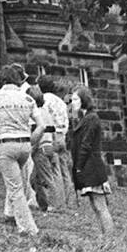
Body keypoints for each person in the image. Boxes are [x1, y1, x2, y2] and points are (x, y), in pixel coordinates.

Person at [0, 64, 42, 237]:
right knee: (15, 181)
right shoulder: (28, 99)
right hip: (24, 145)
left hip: (5, 143)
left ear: (0, 81)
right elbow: (41, 126)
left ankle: (29, 229)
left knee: (16, 188)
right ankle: (9, 214)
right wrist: (31, 142)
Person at [68, 87, 114, 236]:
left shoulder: (91, 118)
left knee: (100, 205)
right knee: (95, 205)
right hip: (88, 166)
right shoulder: (84, 118)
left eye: (75, 99)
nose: (72, 102)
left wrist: (79, 167)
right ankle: (105, 236)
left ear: (83, 100)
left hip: (92, 166)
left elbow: (86, 144)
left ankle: (110, 237)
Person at [38, 75, 75, 208]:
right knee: (64, 171)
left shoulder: (46, 99)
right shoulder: (62, 102)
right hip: (62, 137)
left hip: (52, 136)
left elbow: (45, 118)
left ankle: (57, 202)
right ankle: (69, 201)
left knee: (53, 170)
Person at [28, 82, 64, 212]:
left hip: (41, 149)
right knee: (34, 179)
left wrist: (32, 150)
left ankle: (55, 205)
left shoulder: (35, 115)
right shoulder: (46, 111)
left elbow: (38, 134)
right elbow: (52, 131)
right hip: (50, 147)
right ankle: (42, 203)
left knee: (47, 178)